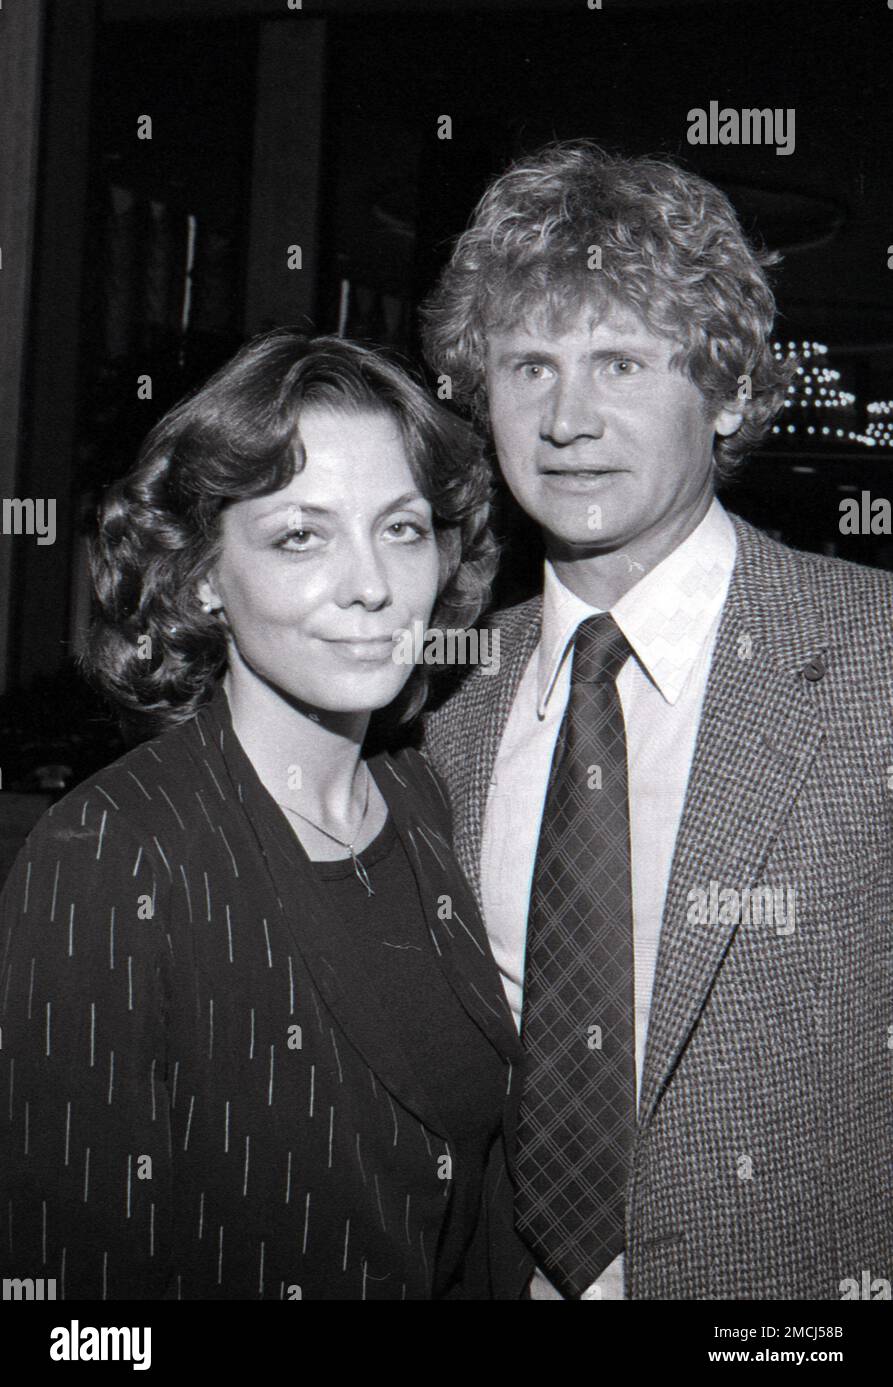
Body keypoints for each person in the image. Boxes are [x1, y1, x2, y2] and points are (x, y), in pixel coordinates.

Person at [420, 140, 893, 1301]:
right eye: (527, 366)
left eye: (618, 361)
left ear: (729, 388)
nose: (565, 418)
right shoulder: (438, 695)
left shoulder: (877, 663)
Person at [0, 330, 533, 1300]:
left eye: (401, 528)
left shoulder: (418, 794)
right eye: (301, 534)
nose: (369, 583)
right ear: (203, 572)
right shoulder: (113, 854)